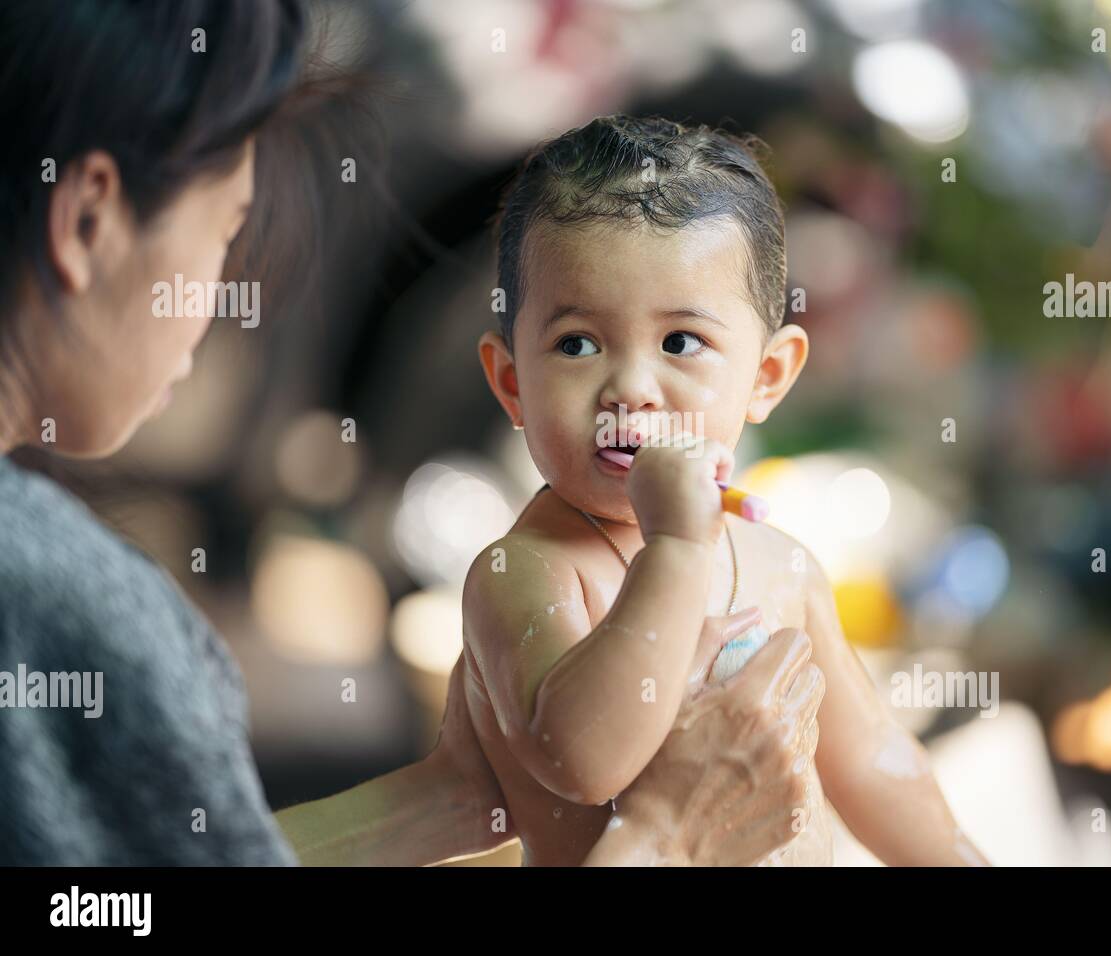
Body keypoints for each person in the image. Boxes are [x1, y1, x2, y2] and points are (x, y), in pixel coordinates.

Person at [0, 0, 822, 867]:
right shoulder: (64, 607)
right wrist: (664, 837)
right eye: (228, 230)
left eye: (681, 342)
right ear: (89, 219)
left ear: (772, 370)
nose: (217, 295)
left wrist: (450, 800)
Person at [466, 116, 989, 865]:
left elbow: (871, 759)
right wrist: (677, 550)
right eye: (577, 343)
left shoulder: (781, 566)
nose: (633, 389)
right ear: (513, 384)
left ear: (767, 376)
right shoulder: (531, 571)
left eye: (681, 342)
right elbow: (583, 760)